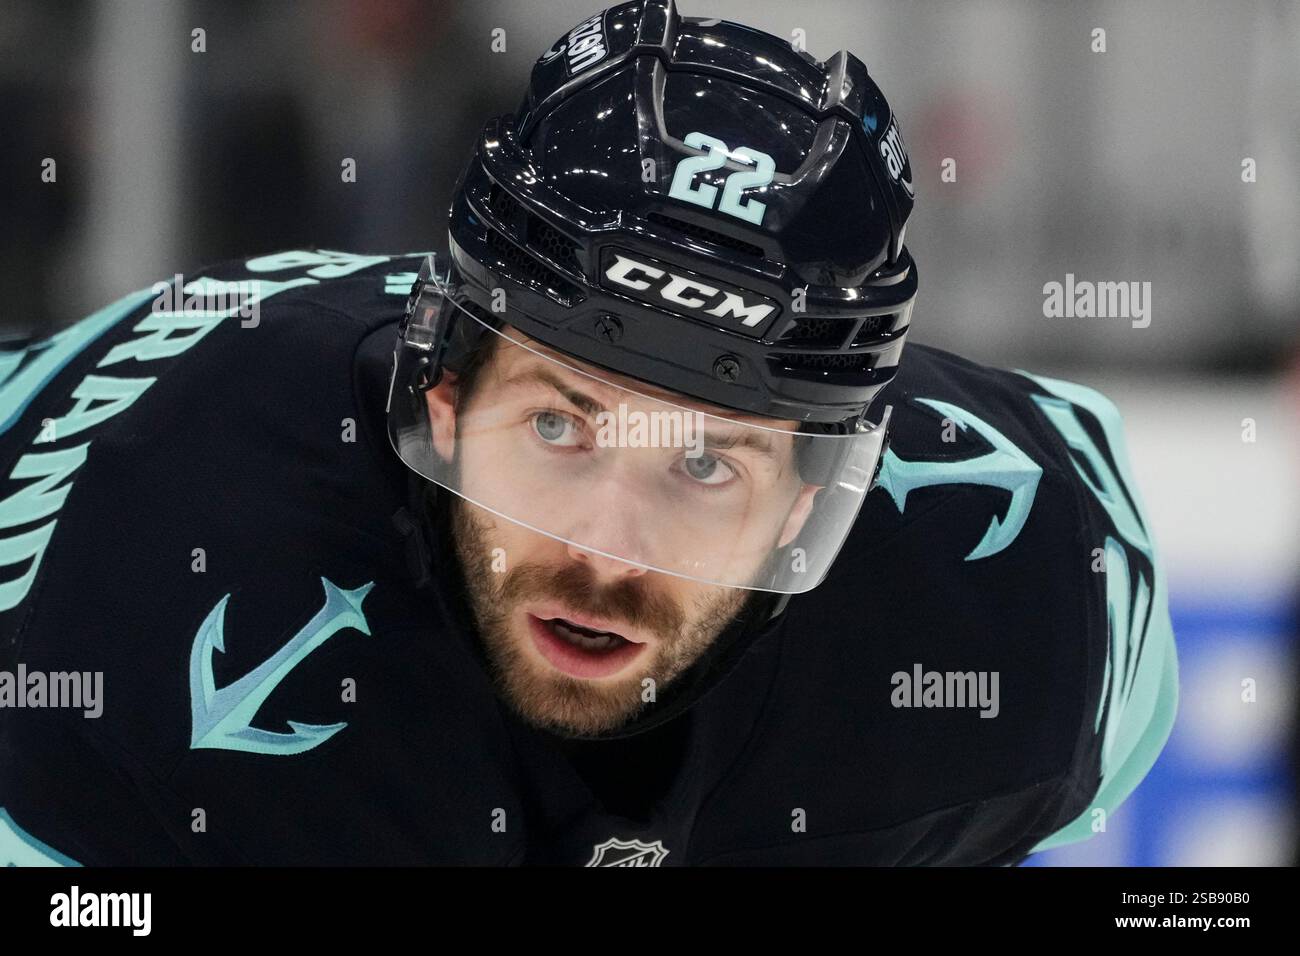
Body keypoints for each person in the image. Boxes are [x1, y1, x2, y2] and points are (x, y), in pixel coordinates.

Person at [0, 0, 1177, 866]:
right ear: (444, 405)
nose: (607, 555)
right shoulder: (117, 626)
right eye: (562, 425)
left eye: (708, 462)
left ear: (811, 501)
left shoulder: (1035, 609)